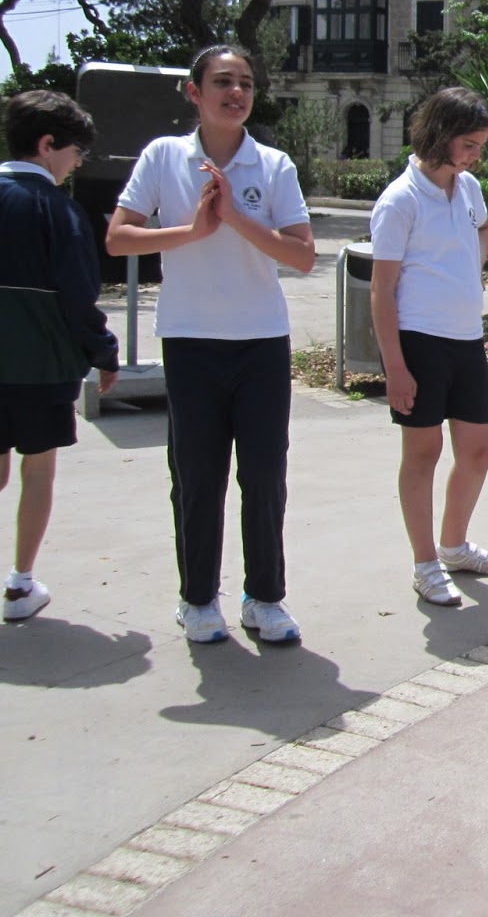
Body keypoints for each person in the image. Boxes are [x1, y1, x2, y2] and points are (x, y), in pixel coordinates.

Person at [106, 46, 314, 644]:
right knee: (197, 476)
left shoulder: (272, 164)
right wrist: (194, 229)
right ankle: (197, 599)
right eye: (223, 81)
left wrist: (235, 217)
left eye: (245, 82)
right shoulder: (164, 156)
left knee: (265, 475)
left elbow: (302, 255)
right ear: (194, 92)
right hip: (190, 341)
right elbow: (119, 238)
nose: (236, 92)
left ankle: (264, 599)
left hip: (261, 342)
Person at [369, 87, 488, 608]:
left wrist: (471, 265)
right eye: (468, 145)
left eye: (480, 147)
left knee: (478, 451)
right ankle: (425, 564)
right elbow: (381, 291)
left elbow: (485, 231)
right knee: (423, 454)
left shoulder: (468, 187)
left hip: (466, 338)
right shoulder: (399, 200)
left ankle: (454, 547)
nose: (475, 156)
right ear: (440, 134)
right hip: (419, 341)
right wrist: (395, 367)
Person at [1, 92, 120, 621]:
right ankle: (20, 586)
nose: (76, 163)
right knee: (37, 470)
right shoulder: (59, 211)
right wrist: (104, 353)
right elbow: (78, 296)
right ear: (48, 145)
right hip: (40, 367)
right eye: (75, 152)